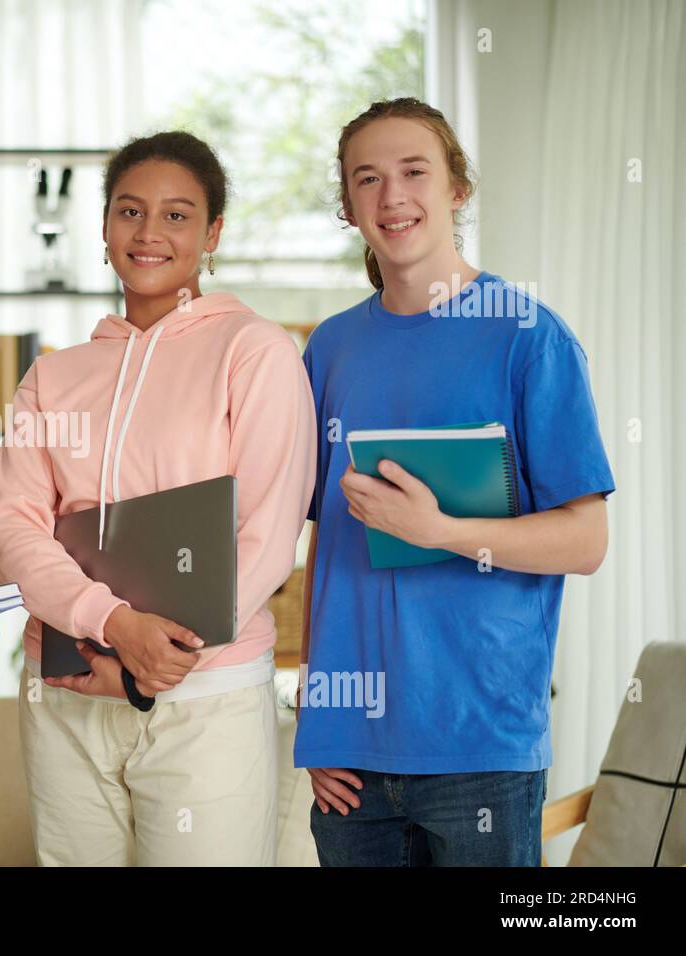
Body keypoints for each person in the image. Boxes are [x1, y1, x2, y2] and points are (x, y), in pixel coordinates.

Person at [295, 98, 614, 866]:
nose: (391, 197)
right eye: (366, 179)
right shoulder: (328, 349)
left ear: (457, 189)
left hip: (481, 749)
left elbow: (586, 539)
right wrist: (319, 716)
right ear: (347, 207)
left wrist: (441, 532)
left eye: (414, 172)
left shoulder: (528, 337)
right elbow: (325, 548)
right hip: (353, 758)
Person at [0, 132, 316, 866]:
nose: (149, 233)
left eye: (176, 216)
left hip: (206, 698)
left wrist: (154, 659)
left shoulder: (254, 351)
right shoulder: (54, 375)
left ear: (212, 234)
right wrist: (110, 623)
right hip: (66, 691)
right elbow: (13, 526)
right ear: (104, 229)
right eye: (130, 212)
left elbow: (267, 531)